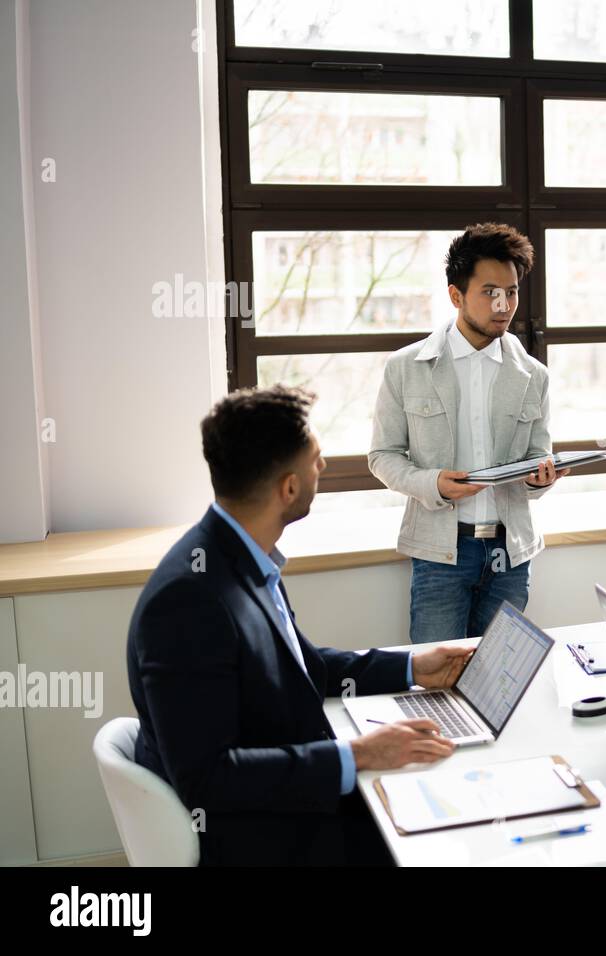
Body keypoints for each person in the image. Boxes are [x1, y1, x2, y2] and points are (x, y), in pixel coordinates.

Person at [127, 386, 474, 865]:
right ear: (288, 487)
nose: (323, 468)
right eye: (316, 459)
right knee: (443, 839)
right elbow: (208, 779)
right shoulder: (188, 600)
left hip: (288, 799)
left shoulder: (242, 555)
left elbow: (302, 666)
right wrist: (358, 755)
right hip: (263, 837)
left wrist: (414, 666)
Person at [369, 223, 566, 643]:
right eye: (490, 291)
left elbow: (537, 456)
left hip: (510, 554)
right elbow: (383, 456)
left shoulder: (535, 375)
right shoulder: (406, 368)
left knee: (499, 682)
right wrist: (432, 483)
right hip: (440, 552)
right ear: (456, 295)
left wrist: (540, 479)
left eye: (512, 291)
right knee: (436, 680)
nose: (504, 304)